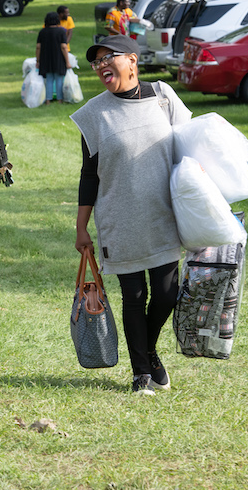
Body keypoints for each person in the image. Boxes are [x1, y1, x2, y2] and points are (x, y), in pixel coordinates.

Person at [70, 35, 192, 395]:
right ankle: (141, 372)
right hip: (119, 219)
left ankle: (149, 352)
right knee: (134, 296)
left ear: (133, 61)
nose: (101, 66)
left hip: (163, 215)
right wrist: (81, 227)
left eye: (110, 57)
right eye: (96, 62)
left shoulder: (162, 96)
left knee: (168, 294)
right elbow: (88, 174)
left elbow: (189, 144)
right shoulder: (93, 114)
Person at [36, 12, 72, 104]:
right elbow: (64, 47)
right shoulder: (61, 31)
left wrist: (38, 60)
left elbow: (38, 47)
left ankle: (48, 100)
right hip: (58, 59)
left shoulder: (42, 31)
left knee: (49, 79)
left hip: (46, 59)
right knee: (59, 79)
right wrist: (67, 62)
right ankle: (60, 99)